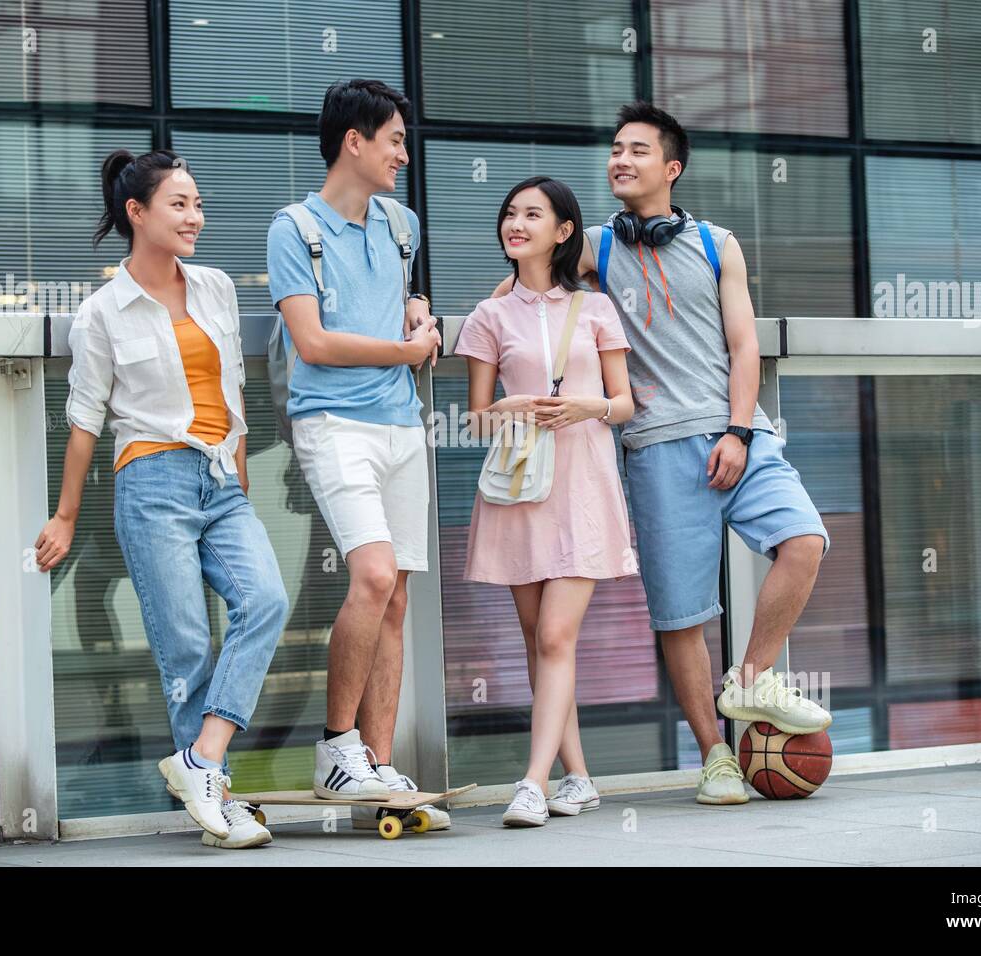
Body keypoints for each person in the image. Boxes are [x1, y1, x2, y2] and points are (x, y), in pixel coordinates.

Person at [493, 102, 832, 806]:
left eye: (637, 151)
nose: (620, 160)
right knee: (681, 615)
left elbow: (746, 347)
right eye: (615, 149)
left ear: (670, 168)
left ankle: (750, 681)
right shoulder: (593, 246)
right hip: (653, 448)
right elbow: (523, 286)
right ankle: (715, 757)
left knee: (804, 541)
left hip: (740, 432)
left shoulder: (717, 243)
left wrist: (740, 432)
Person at [36, 148, 288, 847]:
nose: (195, 217)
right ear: (136, 212)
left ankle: (201, 761)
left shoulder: (213, 287)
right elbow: (85, 421)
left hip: (219, 480)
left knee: (265, 600)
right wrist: (65, 515)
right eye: (180, 204)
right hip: (151, 482)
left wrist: (237, 471)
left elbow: (232, 386)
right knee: (186, 646)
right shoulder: (102, 313)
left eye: (198, 203)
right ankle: (215, 801)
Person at [266, 79, 448, 831]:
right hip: (333, 424)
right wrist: (404, 349)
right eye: (395, 140)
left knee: (397, 595)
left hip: (402, 427)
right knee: (372, 575)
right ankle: (337, 747)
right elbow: (311, 342)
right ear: (355, 141)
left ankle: (374, 761)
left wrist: (420, 311)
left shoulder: (401, 224)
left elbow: (405, 301)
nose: (404, 154)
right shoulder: (293, 228)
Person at [455, 176, 635, 827]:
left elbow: (625, 403)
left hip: (584, 486)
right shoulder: (487, 317)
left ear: (563, 232)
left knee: (557, 634)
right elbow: (474, 419)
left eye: (533, 214)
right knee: (540, 643)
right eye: (510, 213)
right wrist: (504, 407)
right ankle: (578, 777)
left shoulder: (596, 311)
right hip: (521, 488)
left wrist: (588, 406)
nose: (516, 223)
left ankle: (532, 781)